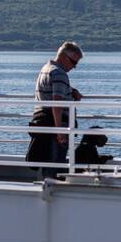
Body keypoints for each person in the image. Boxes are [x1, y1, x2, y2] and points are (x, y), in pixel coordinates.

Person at [25, 41, 84, 172]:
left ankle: (47, 187)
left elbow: (52, 89)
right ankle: (52, 190)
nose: (74, 67)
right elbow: (57, 103)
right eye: (74, 62)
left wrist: (71, 91)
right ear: (63, 57)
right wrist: (60, 131)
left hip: (43, 121)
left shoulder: (46, 68)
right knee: (56, 164)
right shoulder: (60, 73)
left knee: (47, 162)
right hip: (56, 125)